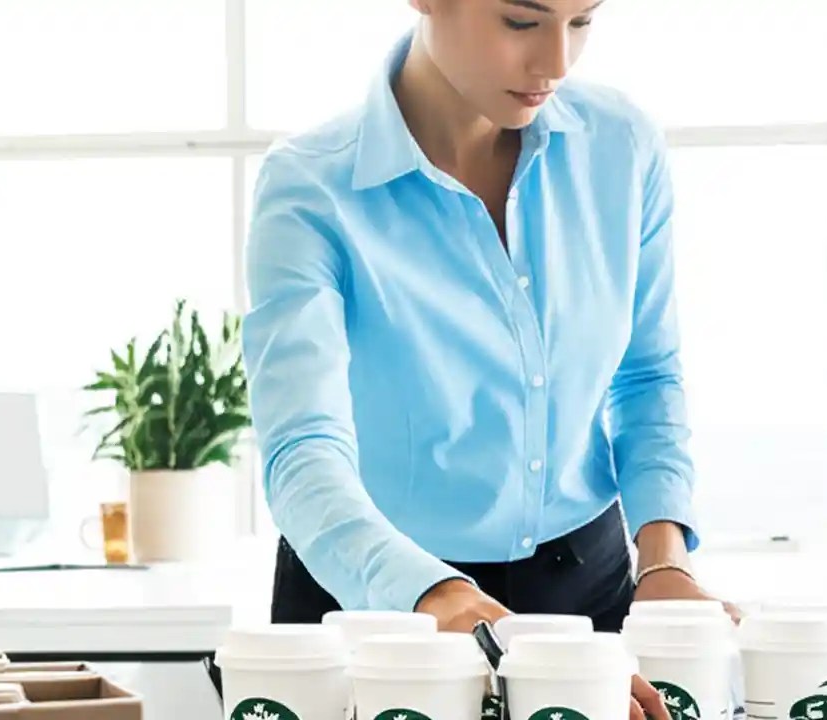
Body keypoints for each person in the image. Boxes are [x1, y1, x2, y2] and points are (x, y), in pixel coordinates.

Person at [243, 1, 739, 716]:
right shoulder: (312, 186)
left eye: (582, 21)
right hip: (377, 605)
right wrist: (436, 597)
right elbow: (301, 453)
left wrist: (663, 561)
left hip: (586, 598)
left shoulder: (620, 146)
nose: (556, 64)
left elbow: (646, 373)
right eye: (521, 21)